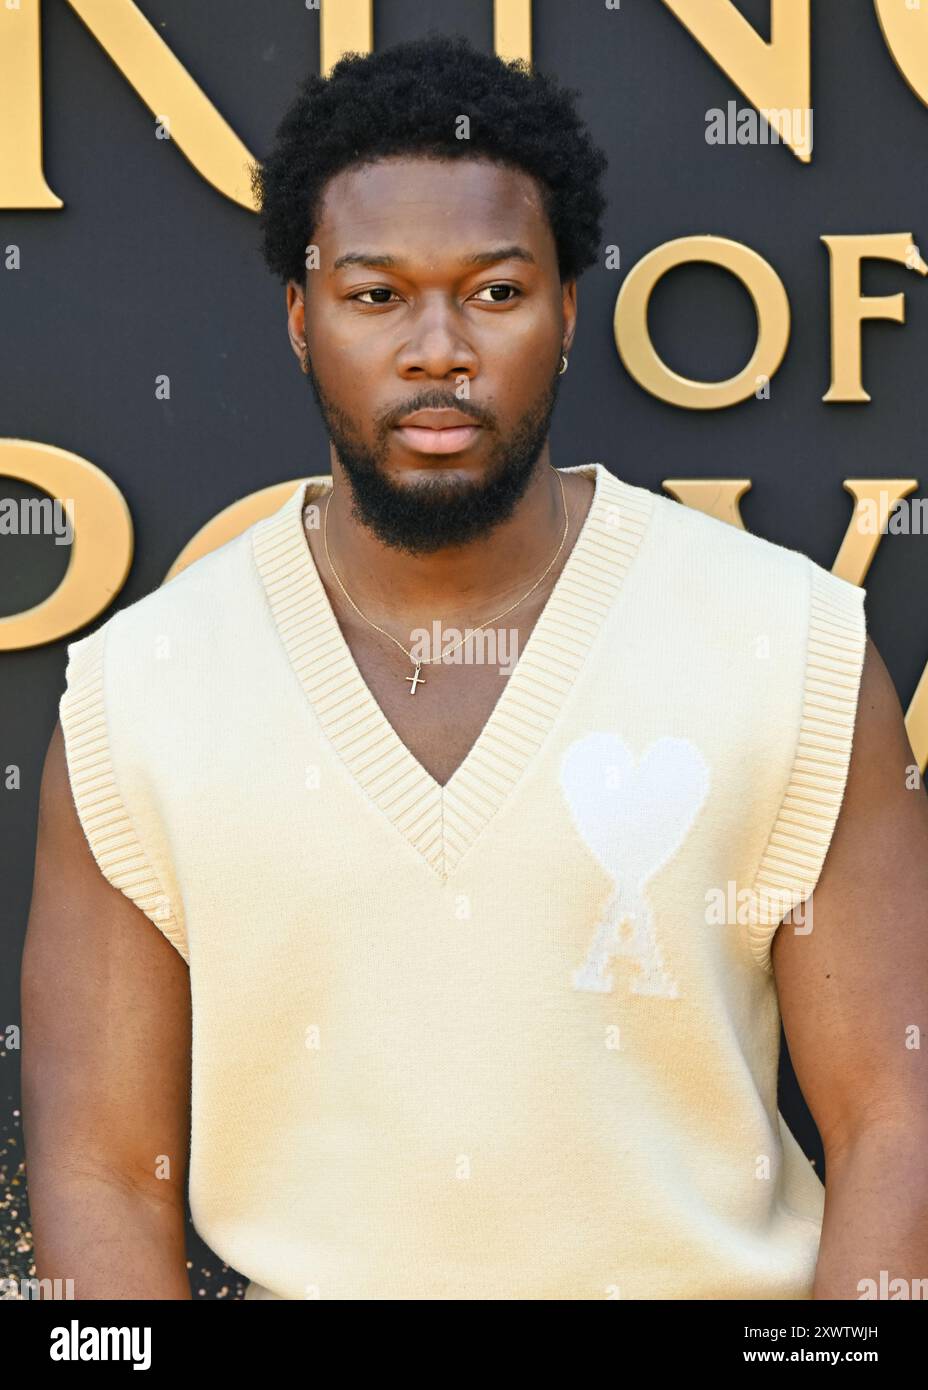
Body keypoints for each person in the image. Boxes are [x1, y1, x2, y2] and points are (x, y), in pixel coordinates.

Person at [22, 33, 928, 1301]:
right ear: (300, 315)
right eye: (376, 293)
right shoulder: (142, 692)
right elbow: (100, 1175)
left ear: (567, 309)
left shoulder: (788, 645)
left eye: (495, 292)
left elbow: (900, 1115)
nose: (437, 346)